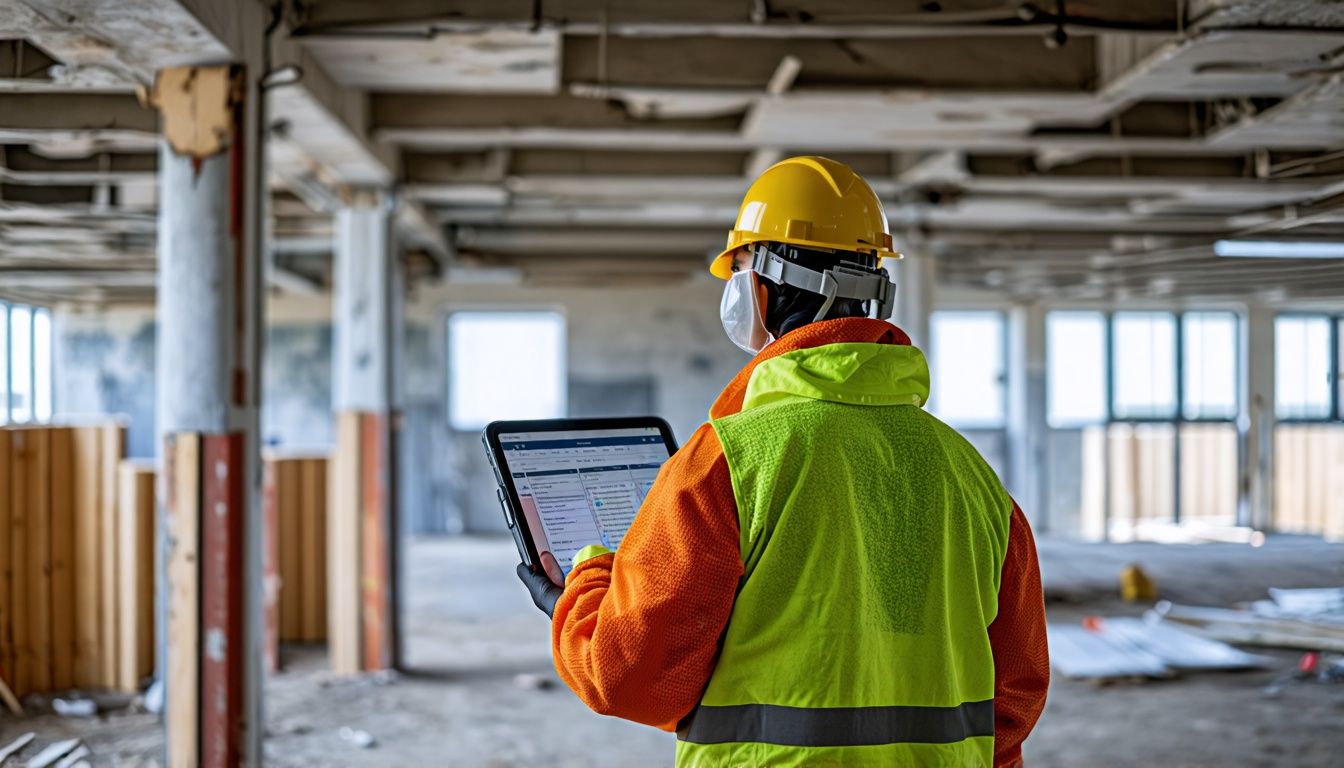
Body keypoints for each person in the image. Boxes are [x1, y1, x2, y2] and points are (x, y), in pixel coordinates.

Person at [518, 156, 1049, 767]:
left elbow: (629, 676)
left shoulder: (727, 460)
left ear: (767, 280)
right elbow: (1012, 700)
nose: (734, 285)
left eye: (738, 267)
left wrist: (577, 596)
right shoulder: (971, 475)